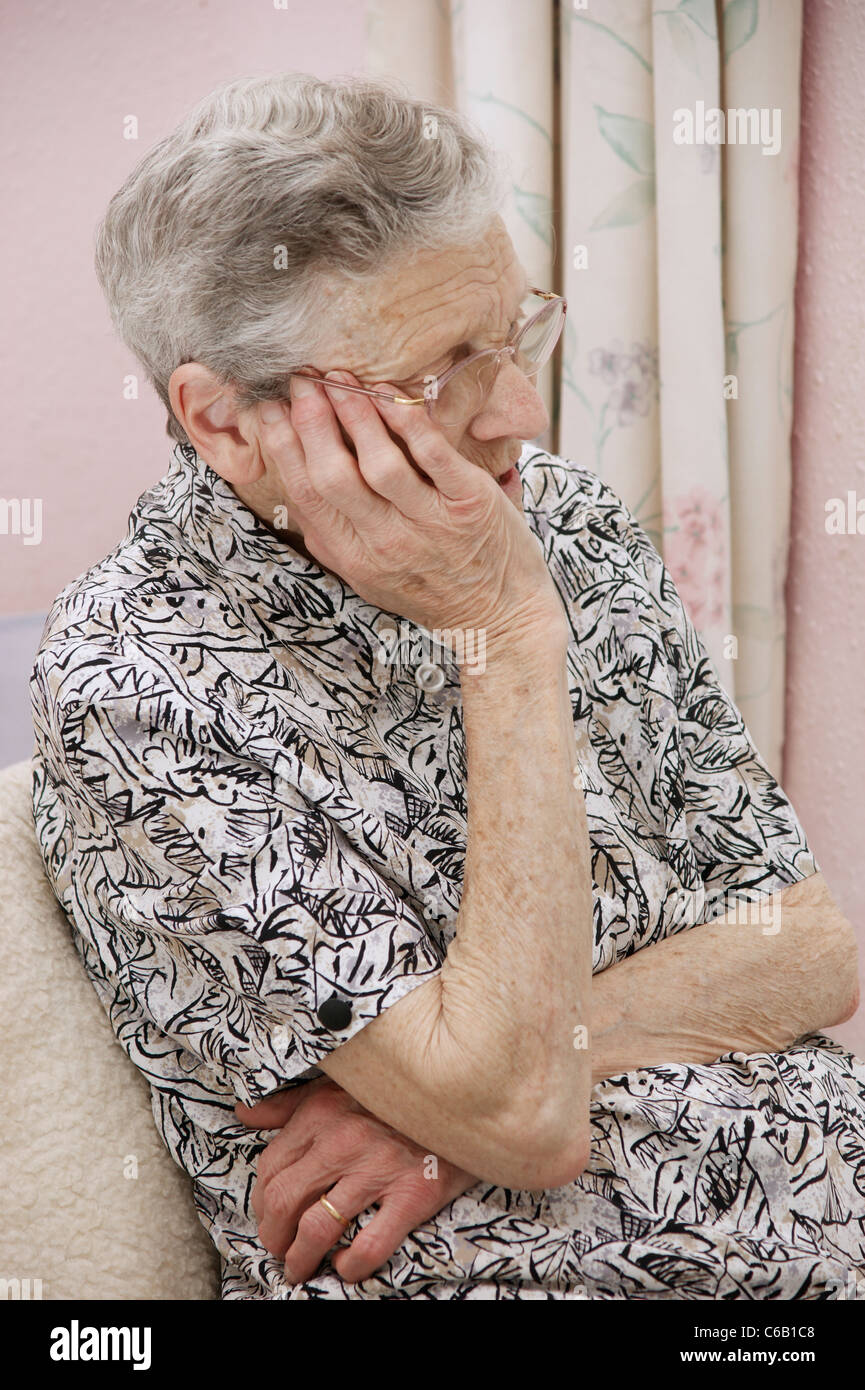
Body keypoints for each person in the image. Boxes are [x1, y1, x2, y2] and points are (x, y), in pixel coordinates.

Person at [30, 72, 863, 1301]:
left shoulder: (566, 524)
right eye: (437, 375)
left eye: (513, 333)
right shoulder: (138, 685)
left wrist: (464, 1099)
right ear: (222, 420)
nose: (521, 413)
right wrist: (504, 631)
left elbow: (806, 947)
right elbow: (528, 1123)